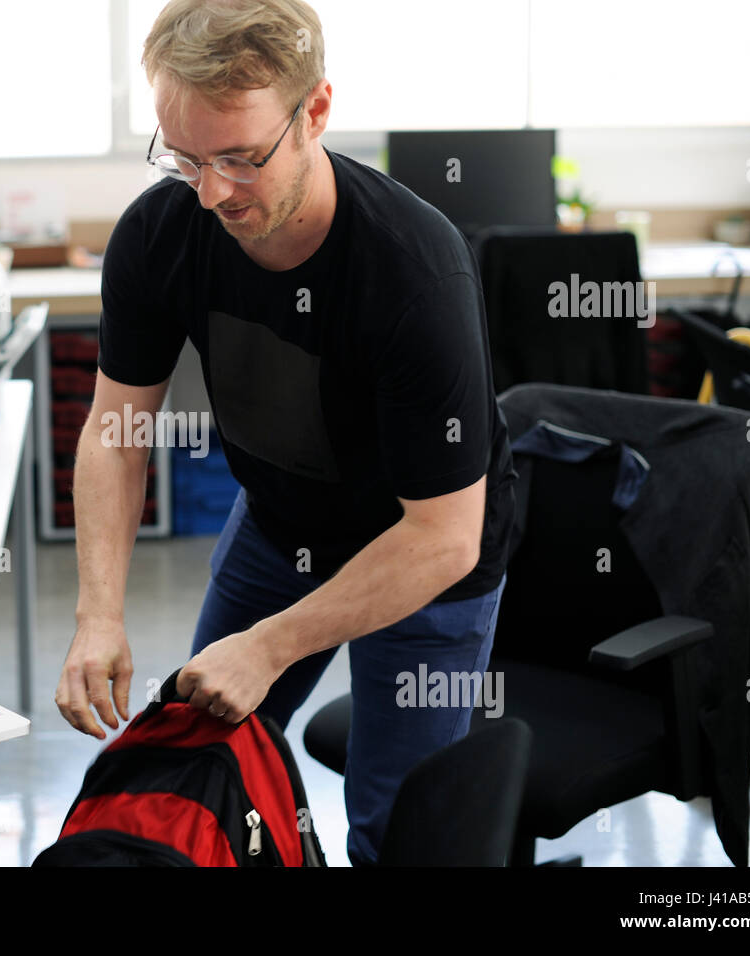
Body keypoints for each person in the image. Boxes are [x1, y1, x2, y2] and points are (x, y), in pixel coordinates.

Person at [55, 0, 518, 865]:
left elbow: (444, 539)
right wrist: (98, 613)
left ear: (315, 112)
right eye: (186, 158)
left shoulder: (414, 272)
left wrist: (270, 644)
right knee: (201, 756)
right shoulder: (161, 234)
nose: (212, 193)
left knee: (400, 830)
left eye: (240, 158)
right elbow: (118, 431)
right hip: (281, 527)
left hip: (423, 555)